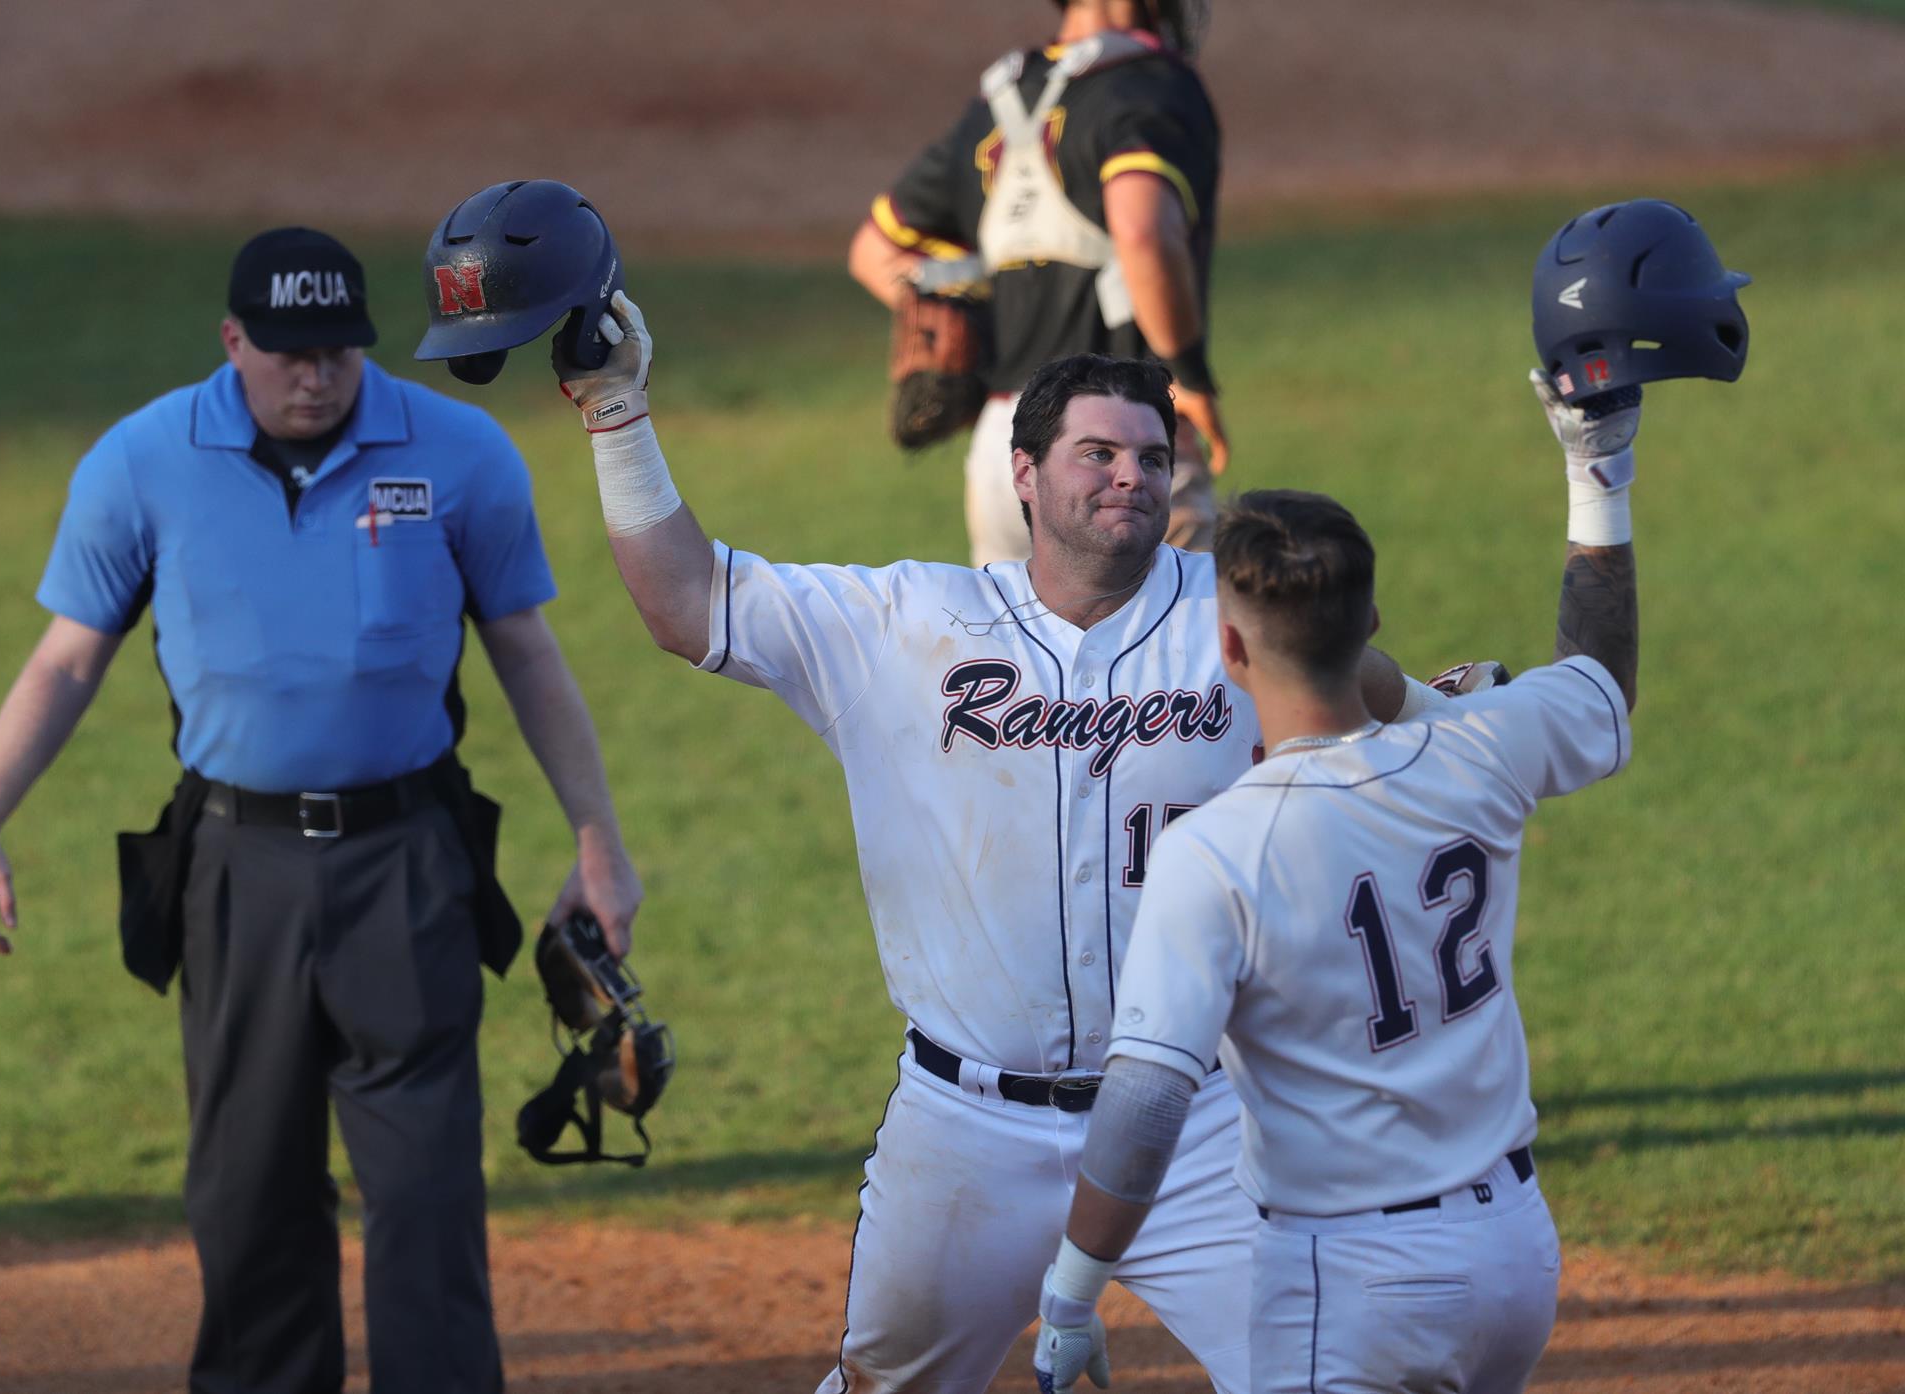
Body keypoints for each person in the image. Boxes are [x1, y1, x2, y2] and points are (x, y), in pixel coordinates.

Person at [548, 283, 1490, 1394]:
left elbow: (1363, 682)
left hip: (1203, 1124)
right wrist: (616, 412)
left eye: (1151, 456)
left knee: (1328, 1377)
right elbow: (684, 602)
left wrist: (1448, 714)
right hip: (965, 1129)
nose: (1130, 476)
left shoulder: (1237, 612)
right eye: (1098, 454)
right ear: (1024, 474)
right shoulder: (904, 626)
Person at [0, 227, 641, 1394]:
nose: (315, 376)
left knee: (425, 1187)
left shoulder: (460, 453)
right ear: (233, 341)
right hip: (235, 868)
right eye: (287, 353)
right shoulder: (143, 461)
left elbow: (525, 651)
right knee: (248, 1186)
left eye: (337, 351)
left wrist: (596, 840)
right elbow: (67, 659)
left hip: (407, 863)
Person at [1026, 376, 1649, 1393]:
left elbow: (1144, 1101)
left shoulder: (1217, 849)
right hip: (1512, 1256)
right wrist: (1597, 466)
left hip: (1351, 1282)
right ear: (1372, 625)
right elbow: (1600, 685)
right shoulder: (1478, 748)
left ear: (1230, 648)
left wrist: (1070, 1289)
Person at [850, 0, 1227, 565]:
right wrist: (1190, 376)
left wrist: (981, 323)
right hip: (1122, 440)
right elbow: (1142, 230)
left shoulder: (995, 104)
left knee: (1018, 625)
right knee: (1183, 621)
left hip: (1006, 449)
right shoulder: (1153, 84)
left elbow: (874, 250)